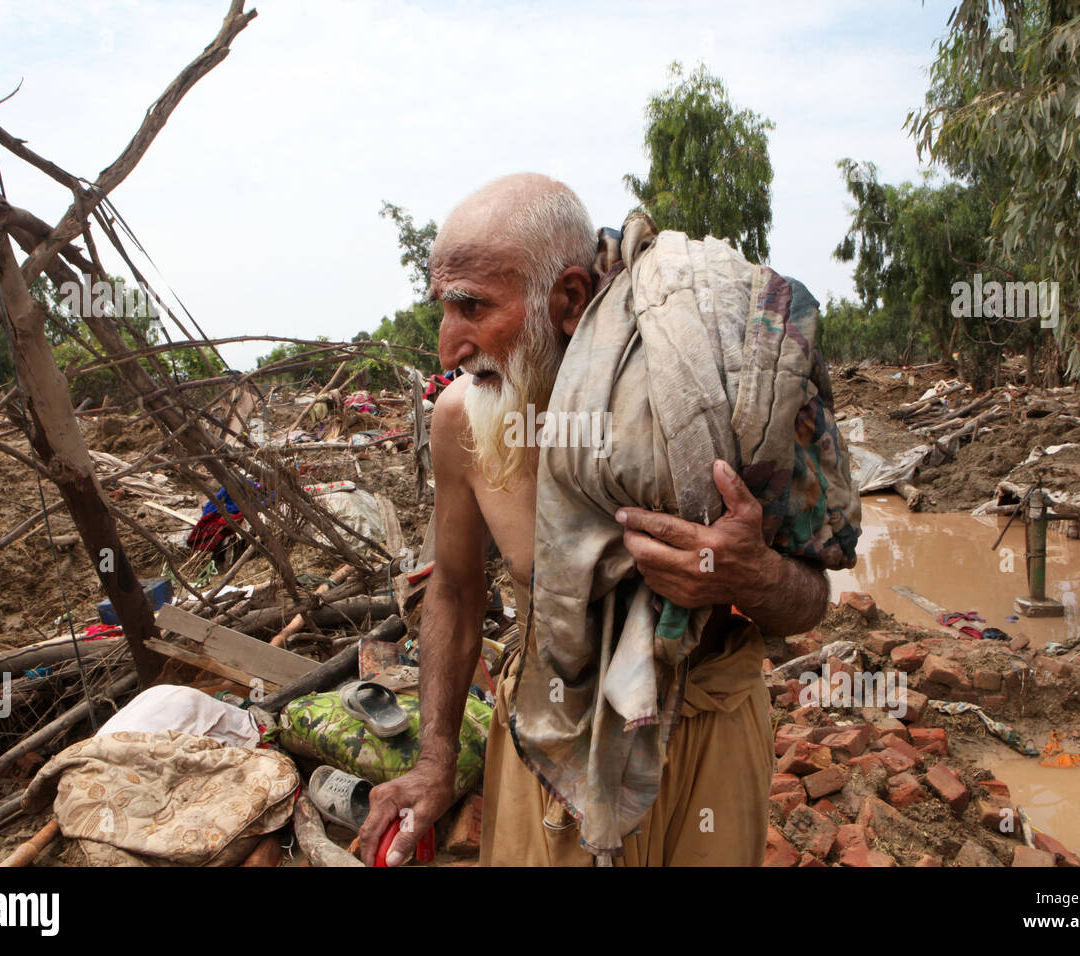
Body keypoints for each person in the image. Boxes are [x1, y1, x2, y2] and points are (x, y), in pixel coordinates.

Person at [357, 172, 856, 866]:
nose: (448, 348)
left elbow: (809, 602)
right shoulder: (462, 421)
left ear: (565, 299)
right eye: (445, 308)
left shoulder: (708, 408)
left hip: (708, 735)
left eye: (472, 308)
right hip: (551, 729)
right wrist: (436, 761)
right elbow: (455, 589)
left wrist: (749, 572)